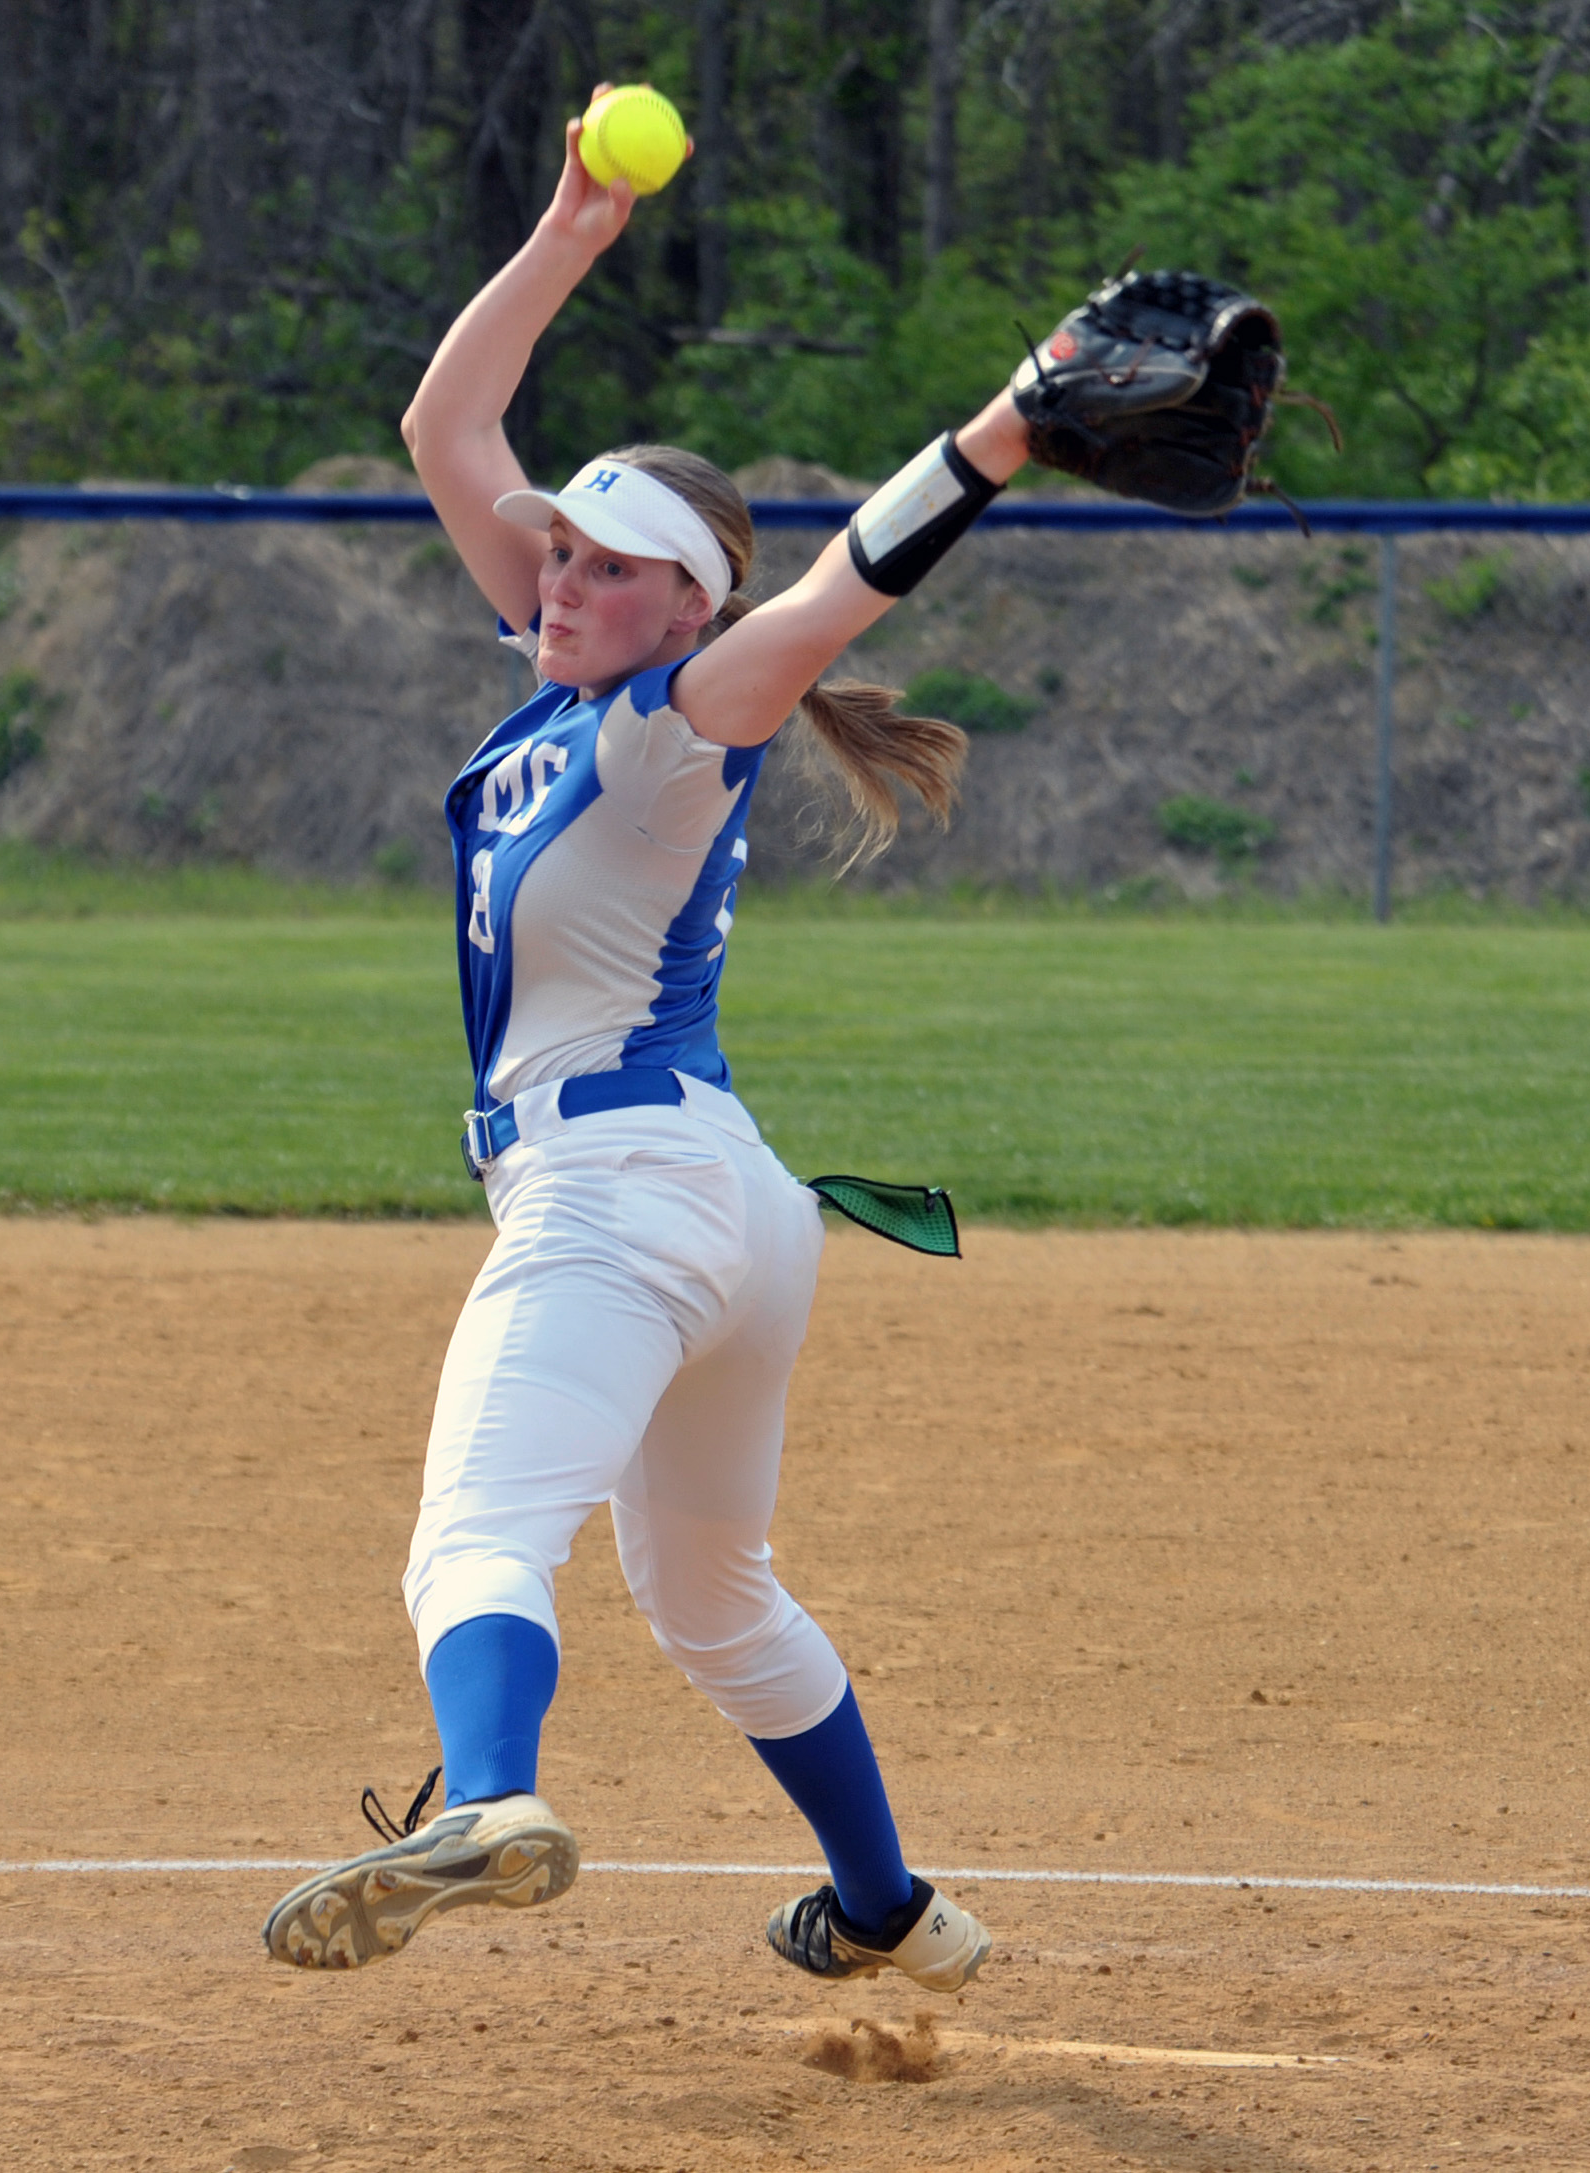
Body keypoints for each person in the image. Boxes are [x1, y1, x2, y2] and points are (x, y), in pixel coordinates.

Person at [262, 96, 1036, 1990]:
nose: (561, 576)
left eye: (608, 564)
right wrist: (568, 239)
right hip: (734, 1202)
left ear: (690, 605)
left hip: (615, 1194)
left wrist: (1008, 431)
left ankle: (494, 1797)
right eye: (563, 552)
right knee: (707, 1591)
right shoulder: (559, 687)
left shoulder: (680, 713)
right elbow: (447, 432)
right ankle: (887, 1907)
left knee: (472, 1535)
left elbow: (854, 572)